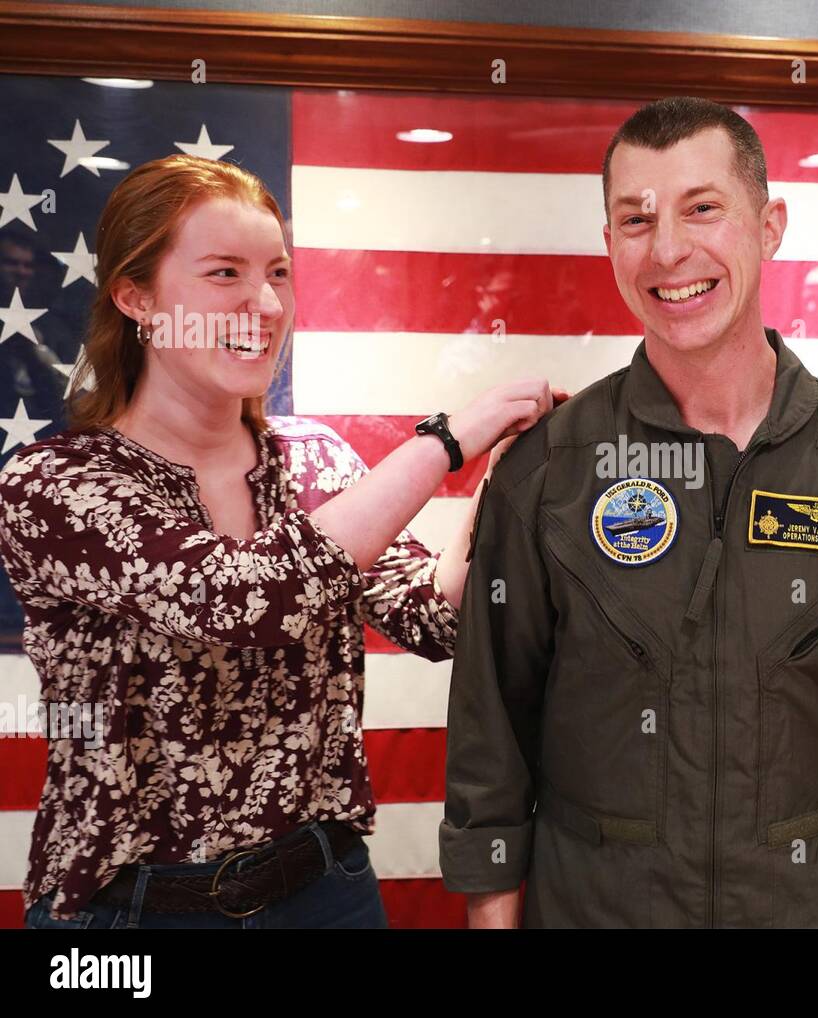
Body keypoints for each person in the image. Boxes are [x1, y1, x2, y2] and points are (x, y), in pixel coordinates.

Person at [438, 96, 818, 928]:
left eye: (703, 209)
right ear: (609, 244)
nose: (668, 250)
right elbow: (492, 730)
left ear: (769, 226)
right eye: (636, 219)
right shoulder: (549, 471)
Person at [0, 154, 555, 928]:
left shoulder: (314, 458)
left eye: (279, 273)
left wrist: (502, 472)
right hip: (135, 910)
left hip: (325, 889)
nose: (264, 304)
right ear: (136, 297)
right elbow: (242, 599)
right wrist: (444, 442)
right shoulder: (56, 483)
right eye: (224, 273)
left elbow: (437, 618)